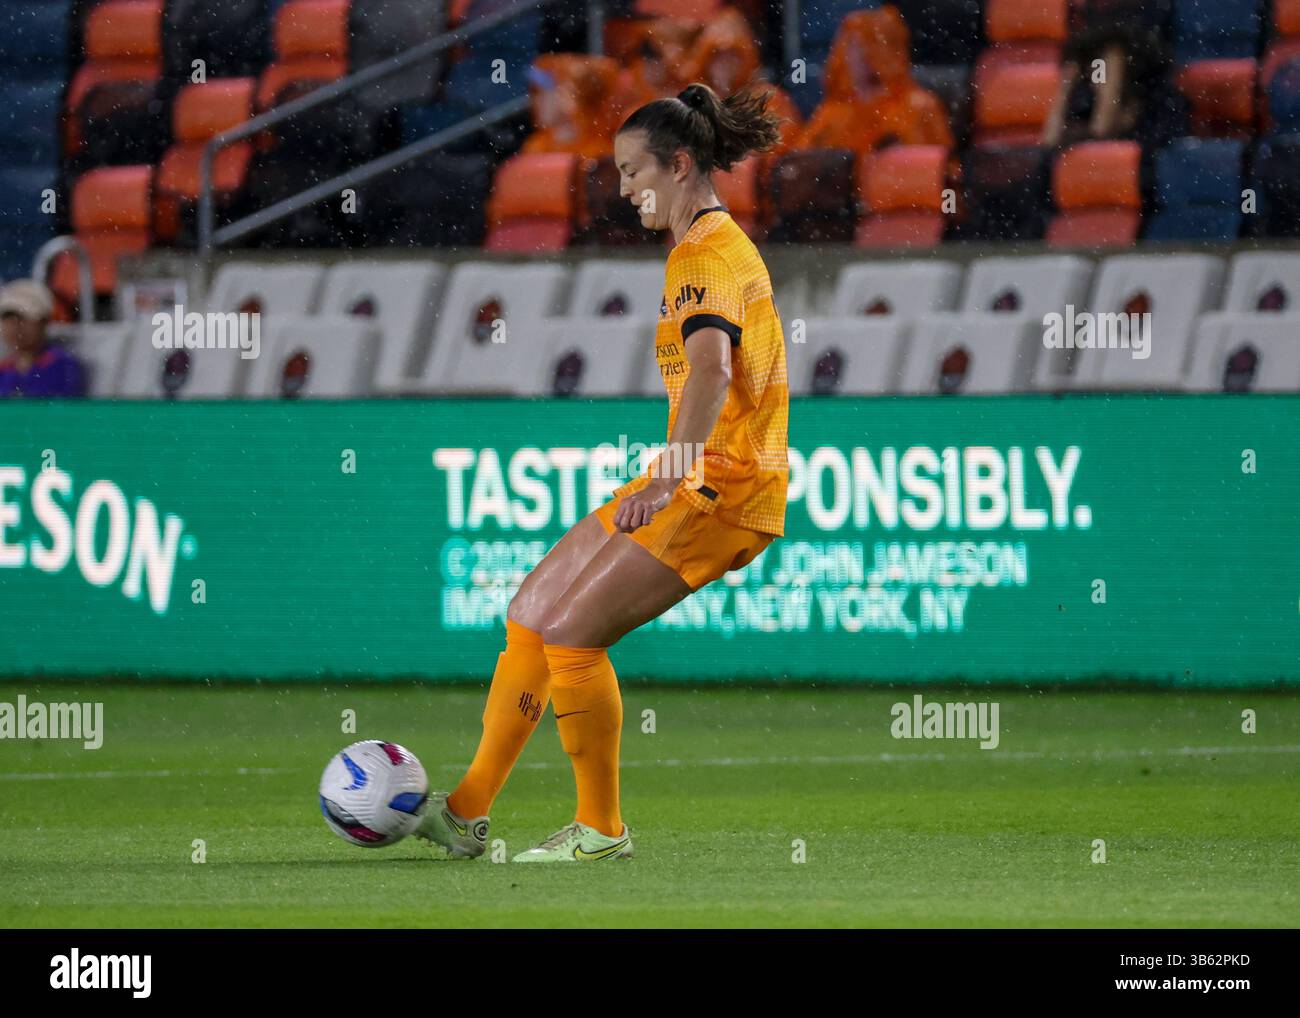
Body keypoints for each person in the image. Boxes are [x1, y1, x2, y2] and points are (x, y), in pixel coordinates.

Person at [415, 82, 790, 863]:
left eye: (632, 173)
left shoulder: (705, 255)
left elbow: (713, 373)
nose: (622, 192)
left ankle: (601, 830)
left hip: (721, 488)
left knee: (573, 636)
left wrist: (666, 480)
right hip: (696, 475)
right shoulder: (702, 249)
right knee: (532, 611)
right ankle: (465, 812)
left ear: (680, 165)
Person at [794, 6, 952, 155]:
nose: (861, 55)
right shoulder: (832, 111)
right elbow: (797, 165)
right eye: (853, 45)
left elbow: (943, 170)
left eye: (870, 45)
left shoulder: (919, 106)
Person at [0, 280, 86, 398]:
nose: (14, 327)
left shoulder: (62, 365)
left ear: (44, 321)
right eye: (8, 318)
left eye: (23, 318)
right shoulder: (4, 367)